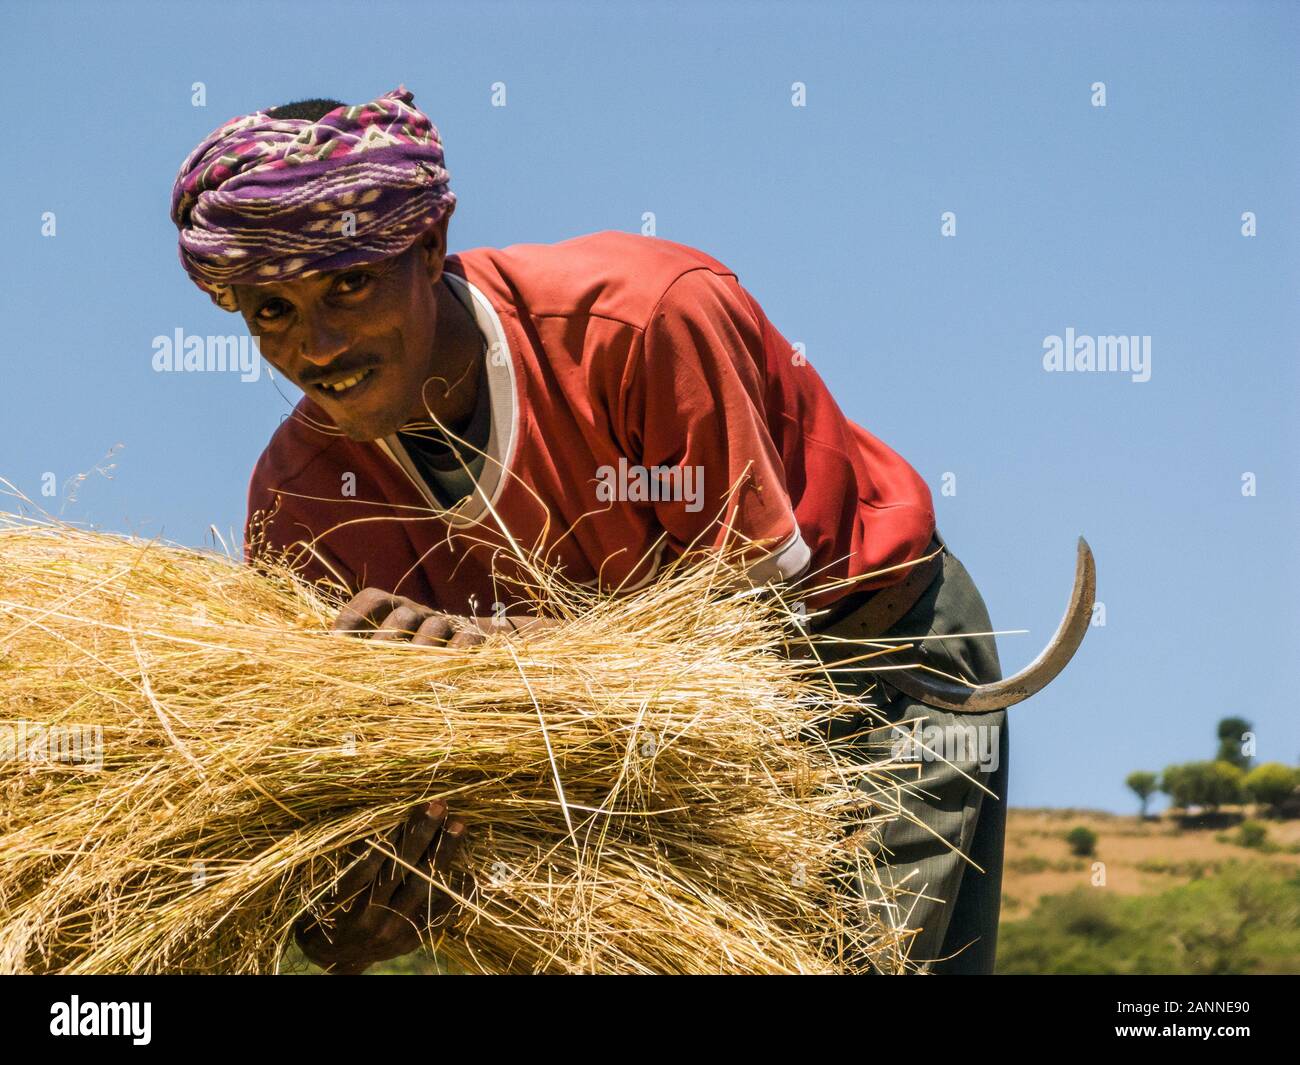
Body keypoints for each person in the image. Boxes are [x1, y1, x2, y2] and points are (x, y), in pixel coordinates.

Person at [170, 86, 1007, 975]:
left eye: (348, 284)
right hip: (591, 786)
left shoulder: (641, 321)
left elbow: (755, 641)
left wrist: (522, 655)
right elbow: (339, 827)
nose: (320, 345)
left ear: (428, 245)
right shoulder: (300, 500)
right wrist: (358, 908)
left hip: (859, 670)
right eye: (273, 311)